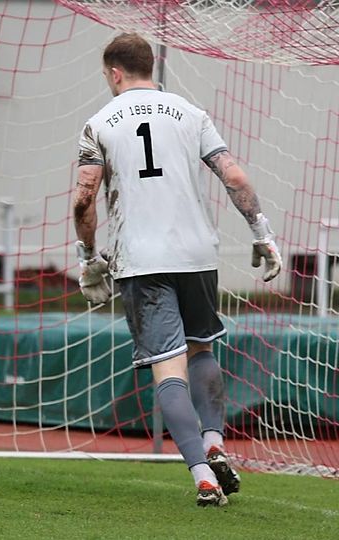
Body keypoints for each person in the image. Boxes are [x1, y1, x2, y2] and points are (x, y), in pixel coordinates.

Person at [73, 33, 282, 507]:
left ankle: (203, 477)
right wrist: (261, 231)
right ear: (151, 67)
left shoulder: (99, 123)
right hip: (196, 254)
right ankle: (214, 443)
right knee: (201, 348)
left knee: (168, 369)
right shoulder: (191, 113)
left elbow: (85, 197)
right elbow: (234, 176)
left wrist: (88, 259)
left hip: (140, 261)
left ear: (114, 72)